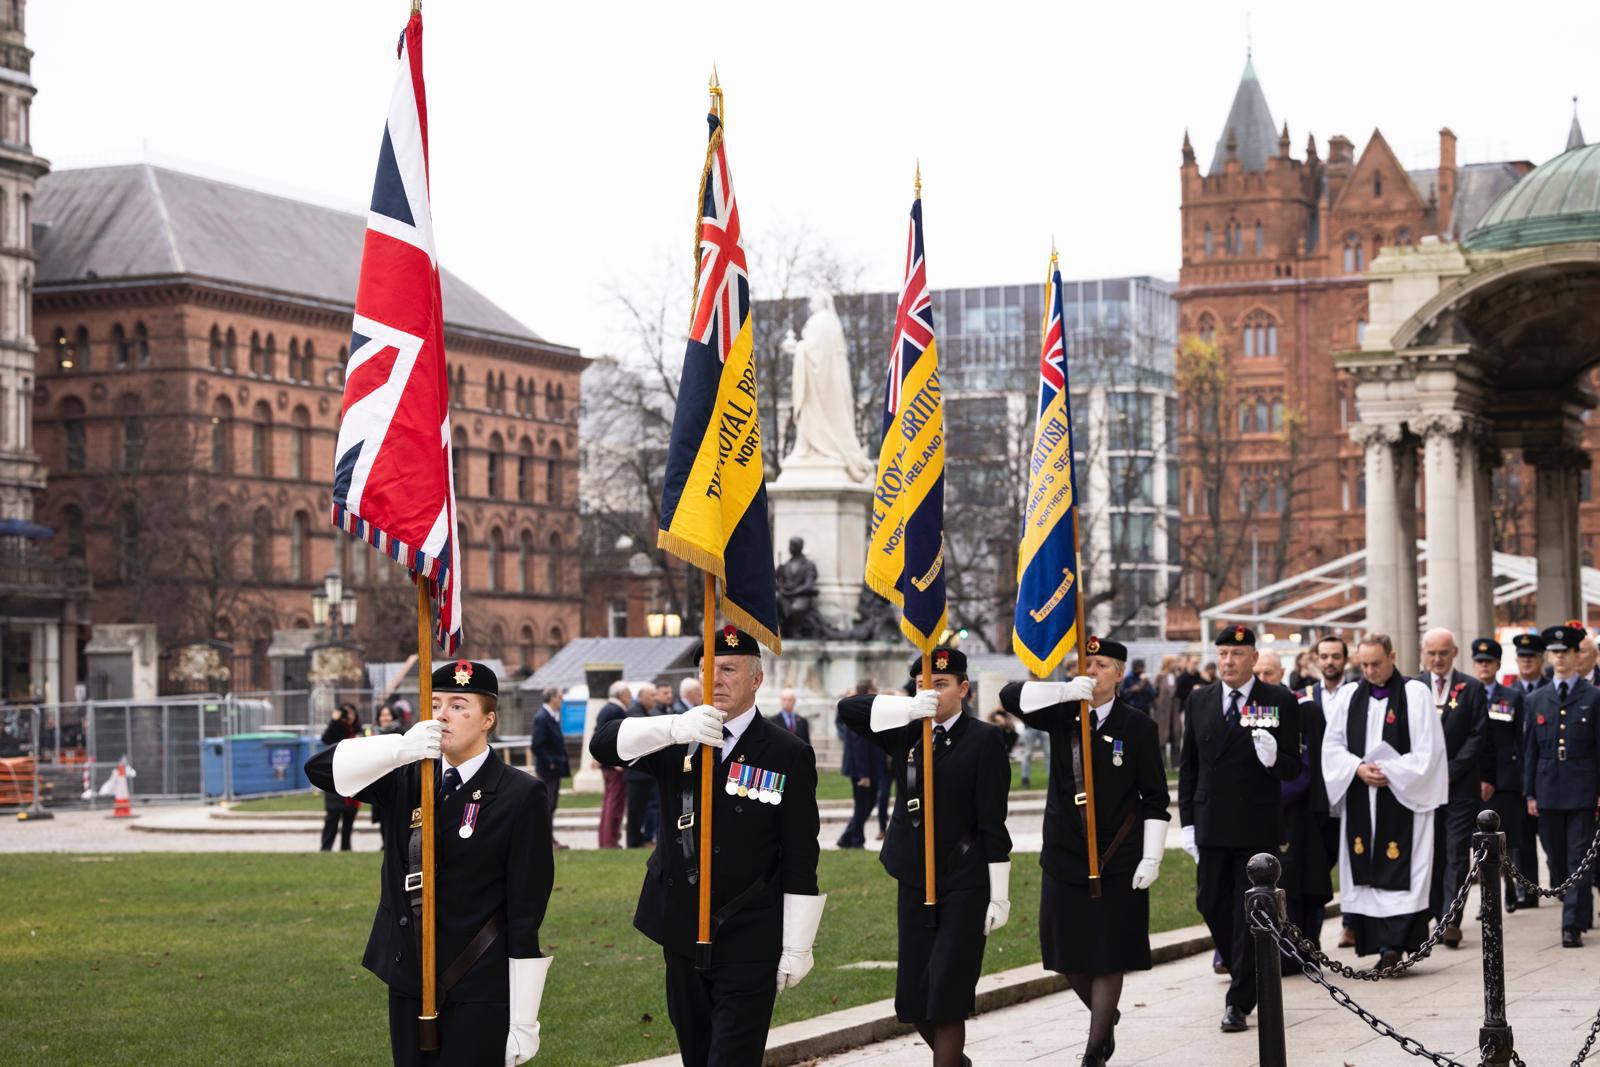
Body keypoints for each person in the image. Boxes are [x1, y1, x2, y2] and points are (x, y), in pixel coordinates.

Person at [590, 626, 824, 1067]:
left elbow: (800, 853)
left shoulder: (785, 752)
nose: (714, 680)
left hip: (749, 933)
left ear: (756, 679)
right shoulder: (678, 736)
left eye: (729, 669)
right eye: (705, 670)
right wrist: (674, 726)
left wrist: (798, 944)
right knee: (696, 1054)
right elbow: (603, 745)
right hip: (680, 927)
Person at [305, 660, 554, 1066]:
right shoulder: (408, 776)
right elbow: (318, 769)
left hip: (477, 982)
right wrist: (397, 747)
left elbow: (526, 910)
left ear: (488, 719)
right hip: (409, 976)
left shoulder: (519, 794)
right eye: (435, 703)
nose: (441, 715)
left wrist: (524, 1019)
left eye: (459, 706)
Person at [999, 636, 1169, 1067]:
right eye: (1086, 663)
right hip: (1064, 852)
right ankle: (1104, 1015)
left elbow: (1154, 797)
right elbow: (1009, 697)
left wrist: (1152, 856)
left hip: (1119, 855)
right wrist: (1061, 690)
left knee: (1110, 952)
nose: (1092, 671)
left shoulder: (1138, 727)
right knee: (1067, 954)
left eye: (1102, 665)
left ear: (1121, 674)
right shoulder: (1063, 715)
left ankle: (1094, 1051)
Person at [841, 647, 1013, 1067]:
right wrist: (908, 704)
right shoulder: (906, 731)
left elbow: (993, 822)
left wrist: (1000, 893)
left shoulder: (984, 740)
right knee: (915, 1000)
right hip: (915, 875)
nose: (932, 693)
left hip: (964, 877)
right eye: (922, 684)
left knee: (947, 995)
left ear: (964, 689)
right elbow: (849, 709)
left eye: (940, 684)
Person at [1177, 624, 1301, 1033]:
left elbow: (1291, 767)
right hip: (1211, 821)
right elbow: (1189, 766)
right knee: (1209, 902)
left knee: (1247, 911)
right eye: (1223, 654)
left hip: (1254, 824)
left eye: (1236, 654)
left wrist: (1273, 759)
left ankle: (1239, 1000)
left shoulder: (1279, 700)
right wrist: (1188, 822)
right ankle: (1246, 971)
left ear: (1253, 658)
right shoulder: (1200, 700)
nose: (1228, 662)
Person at [1322, 634, 1447, 970]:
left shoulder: (1415, 694)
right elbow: (1331, 747)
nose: (1370, 670)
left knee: (1403, 868)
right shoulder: (1349, 696)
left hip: (1403, 797)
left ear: (1392, 656)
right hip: (1362, 796)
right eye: (1363, 664)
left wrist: (1391, 770)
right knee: (1366, 868)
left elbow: (1429, 751)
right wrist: (1357, 768)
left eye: (1376, 663)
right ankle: (1376, 942)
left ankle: (1396, 945)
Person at [1524, 623, 1600, 948]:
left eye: (1565, 652)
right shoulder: (1537, 699)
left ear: (1575, 655)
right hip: (1547, 787)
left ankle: (1570, 925)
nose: (1559, 658)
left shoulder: (1593, 697)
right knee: (1555, 857)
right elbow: (1529, 749)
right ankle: (1580, 909)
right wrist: (1529, 792)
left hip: (1582, 788)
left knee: (1578, 856)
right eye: (1554, 653)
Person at [1415, 627, 1488, 948]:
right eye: (1431, 653)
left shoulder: (1470, 688)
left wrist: (1450, 771)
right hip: (1421, 787)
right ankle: (1432, 912)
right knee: (1431, 852)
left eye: (1443, 653)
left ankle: (1450, 918)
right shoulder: (1413, 687)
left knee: (1457, 851)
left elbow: (1478, 735)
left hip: (1459, 786)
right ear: (1422, 653)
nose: (1437, 659)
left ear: (1454, 653)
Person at [1297, 636, 1350, 950]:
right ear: (1316, 659)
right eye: (1325, 656)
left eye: (1336, 656)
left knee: (1352, 860)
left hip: (1348, 790)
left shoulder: (1355, 693)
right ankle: (1311, 932)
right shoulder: (1304, 696)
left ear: (1346, 659)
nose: (1330, 662)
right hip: (1318, 795)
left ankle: (1351, 924)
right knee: (1319, 864)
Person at [1470, 637, 1526, 913]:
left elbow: (1520, 739)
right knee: (1479, 843)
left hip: (1505, 779)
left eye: (1488, 661)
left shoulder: (1512, 696)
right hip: (1474, 777)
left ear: (1497, 664)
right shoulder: (1467, 694)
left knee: (1506, 839)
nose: (1483, 666)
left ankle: (1510, 884)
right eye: (1479, 662)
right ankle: (1486, 898)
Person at [1511, 631, 1549, 905]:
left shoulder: (1550, 689)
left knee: (1551, 837)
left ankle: (1560, 880)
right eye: (1522, 657)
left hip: (1546, 775)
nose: (1526, 662)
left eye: (1532, 657)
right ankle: (1528, 890)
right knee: (1522, 840)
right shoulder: (1508, 693)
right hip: (1517, 776)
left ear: (1541, 659)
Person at [837, 699, 883, 849]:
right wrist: (864, 775)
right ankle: (856, 839)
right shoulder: (859, 715)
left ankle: (847, 837)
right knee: (863, 806)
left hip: (868, 770)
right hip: (863, 772)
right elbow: (860, 748)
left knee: (865, 805)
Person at [624, 683, 666, 848]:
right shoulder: (636, 713)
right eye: (651, 696)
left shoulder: (644, 711)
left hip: (642, 772)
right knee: (635, 809)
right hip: (636, 772)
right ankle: (633, 841)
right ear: (641, 696)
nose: (655, 699)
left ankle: (638, 839)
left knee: (642, 808)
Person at [594, 681, 631, 849]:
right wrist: (616, 761)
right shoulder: (616, 710)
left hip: (607, 764)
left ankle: (606, 839)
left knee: (609, 802)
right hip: (614, 765)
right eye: (628, 694)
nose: (630, 698)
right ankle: (609, 840)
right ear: (621, 695)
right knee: (614, 803)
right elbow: (616, 737)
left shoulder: (606, 709)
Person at [532, 687, 570, 850]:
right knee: (547, 805)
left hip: (554, 769)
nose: (562, 700)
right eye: (560, 697)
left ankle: (549, 838)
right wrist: (551, 762)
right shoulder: (542, 717)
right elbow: (537, 745)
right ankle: (544, 840)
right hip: (548, 770)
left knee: (552, 805)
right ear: (552, 698)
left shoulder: (552, 716)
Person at [320, 704, 362, 852]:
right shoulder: (336, 730)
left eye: (350, 713)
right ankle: (326, 848)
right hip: (335, 778)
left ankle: (346, 848)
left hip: (353, 778)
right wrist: (334, 720)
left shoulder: (358, 731)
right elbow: (325, 739)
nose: (347, 716)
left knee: (349, 816)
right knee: (332, 816)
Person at [370, 705, 405, 845]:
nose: (385, 718)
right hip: (378, 778)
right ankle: (385, 843)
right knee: (382, 814)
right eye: (382, 715)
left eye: (388, 714)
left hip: (397, 779)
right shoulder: (373, 734)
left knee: (397, 813)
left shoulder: (401, 733)